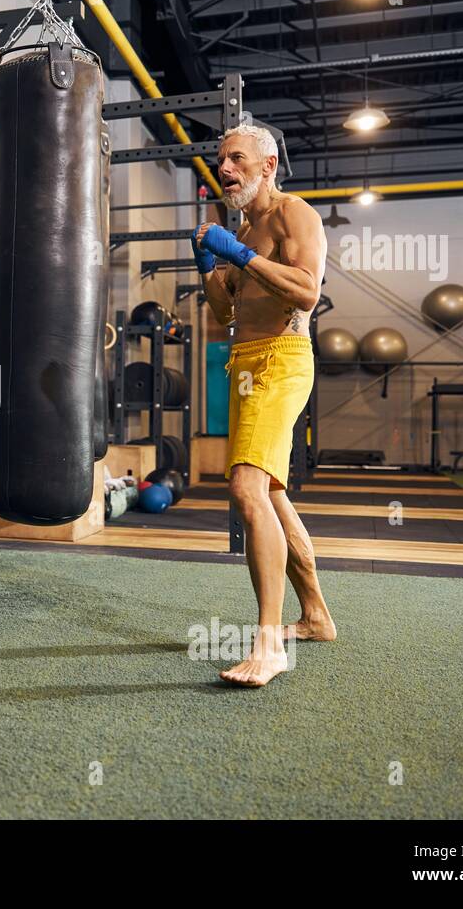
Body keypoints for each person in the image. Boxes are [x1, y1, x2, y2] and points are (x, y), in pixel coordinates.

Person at [193, 124, 336, 687]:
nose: (224, 167)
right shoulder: (246, 227)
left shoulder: (293, 214)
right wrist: (209, 270)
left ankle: (270, 644)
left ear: (268, 165)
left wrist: (240, 254)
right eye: (219, 159)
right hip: (245, 364)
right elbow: (222, 316)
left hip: (282, 358)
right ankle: (317, 616)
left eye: (236, 158)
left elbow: (306, 291)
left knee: (247, 487)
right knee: (272, 493)